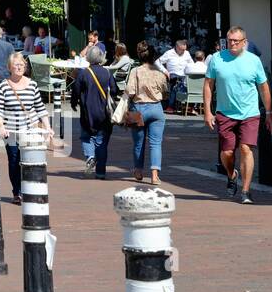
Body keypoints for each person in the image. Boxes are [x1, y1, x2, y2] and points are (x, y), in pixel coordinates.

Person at [205, 25, 272, 205]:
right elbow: (208, 85)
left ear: (244, 42)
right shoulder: (217, 59)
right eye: (230, 41)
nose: (232, 44)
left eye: (236, 41)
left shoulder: (253, 61)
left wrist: (269, 112)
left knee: (246, 149)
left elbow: (263, 86)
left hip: (249, 112)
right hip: (225, 113)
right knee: (227, 153)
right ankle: (231, 174)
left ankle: (246, 190)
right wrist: (207, 111)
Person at [0, 51, 54, 204]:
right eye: (16, 65)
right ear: (10, 67)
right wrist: (0, 125)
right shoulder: (3, 86)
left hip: (30, 130)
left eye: (21, 65)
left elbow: (40, 107)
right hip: (11, 131)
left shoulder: (32, 84)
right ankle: (17, 192)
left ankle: (27, 190)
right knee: (14, 160)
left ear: (25, 67)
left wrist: (48, 127)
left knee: (28, 159)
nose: (19, 67)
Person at [125, 40, 168, 186]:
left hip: (139, 108)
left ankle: (138, 170)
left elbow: (130, 92)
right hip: (156, 108)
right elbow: (165, 91)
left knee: (138, 143)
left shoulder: (135, 71)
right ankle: (155, 176)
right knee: (156, 143)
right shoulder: (159, 73)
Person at [71, 44, 117, 179]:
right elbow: (114, 90)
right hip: (104, 113)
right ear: (101, 57)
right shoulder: (107, 72)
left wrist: (74, 103)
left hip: (87, 112)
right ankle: (101, 172)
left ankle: (90, 156)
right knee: (101, 142)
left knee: (86, 136)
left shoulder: (83, 73)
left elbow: (76, 90)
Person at [156, 39, 194, 113]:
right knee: (175, 82)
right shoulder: (169, 53)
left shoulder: (187, 53)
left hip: (184, 75)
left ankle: (188, 106)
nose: (183, 51)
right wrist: (165, 71)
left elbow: (191, 64)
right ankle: (171, 106)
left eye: (184, 49)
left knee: (189, 82)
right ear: (177, 47)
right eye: (182, 50)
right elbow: (157, 62)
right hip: (173, 74)